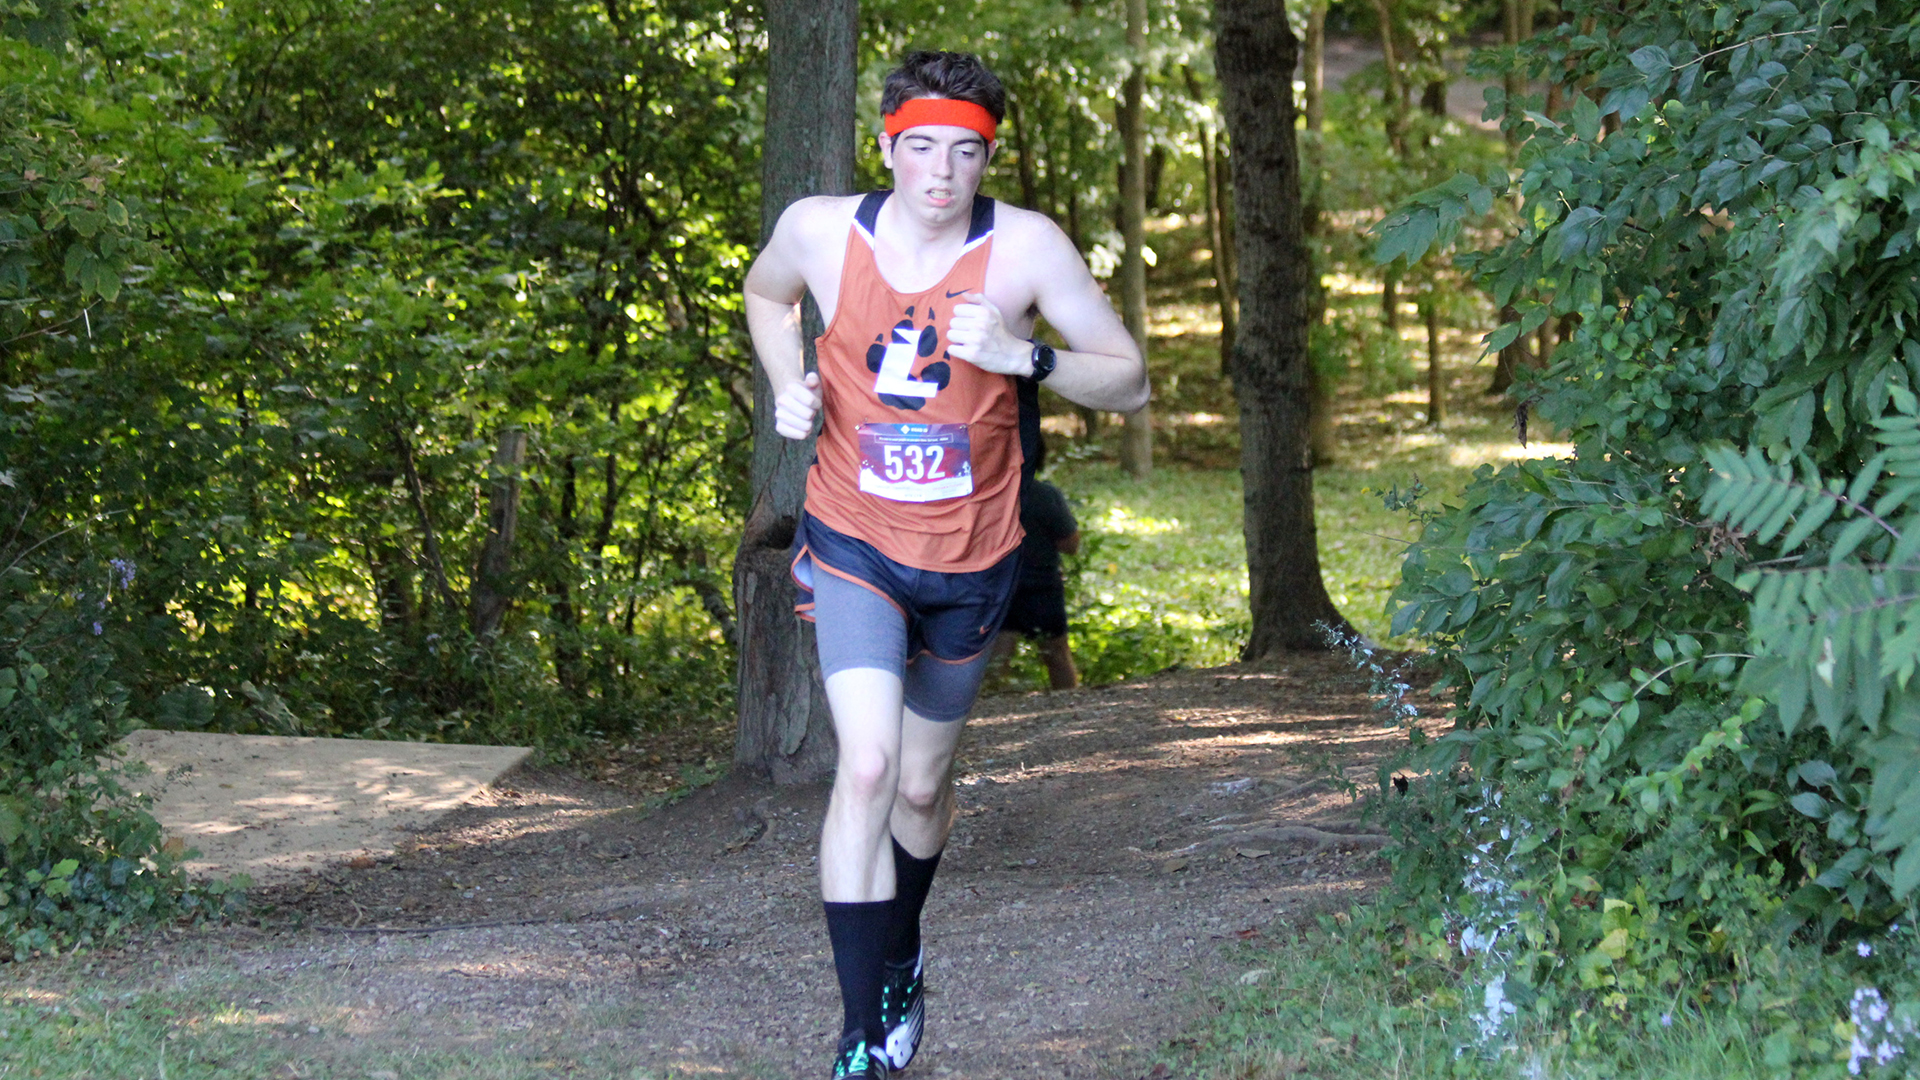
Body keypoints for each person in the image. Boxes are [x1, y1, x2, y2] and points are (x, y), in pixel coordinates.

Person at [742, 49, 1148, 1080]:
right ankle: (857, 1039)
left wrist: (1028, 360)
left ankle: (900, 957)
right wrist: (789, 383)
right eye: (920, 147)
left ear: (986, 157)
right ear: (887, 144)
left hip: (972, 559)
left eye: (965, 152)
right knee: (867, 767)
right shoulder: (821, 231)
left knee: (922, 791)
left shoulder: (1025, 250)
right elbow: (764, 295)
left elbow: (1132, 381)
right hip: (854, 541)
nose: (940, 172)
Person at [990, 435, 1081, 691]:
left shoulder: (990, 497)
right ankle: (1070, 707)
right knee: (1057, 655)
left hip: (1001, 587)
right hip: (1043, 588)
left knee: (997, 659)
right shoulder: (1046, 495)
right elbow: (1071, 544)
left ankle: (993, 714)